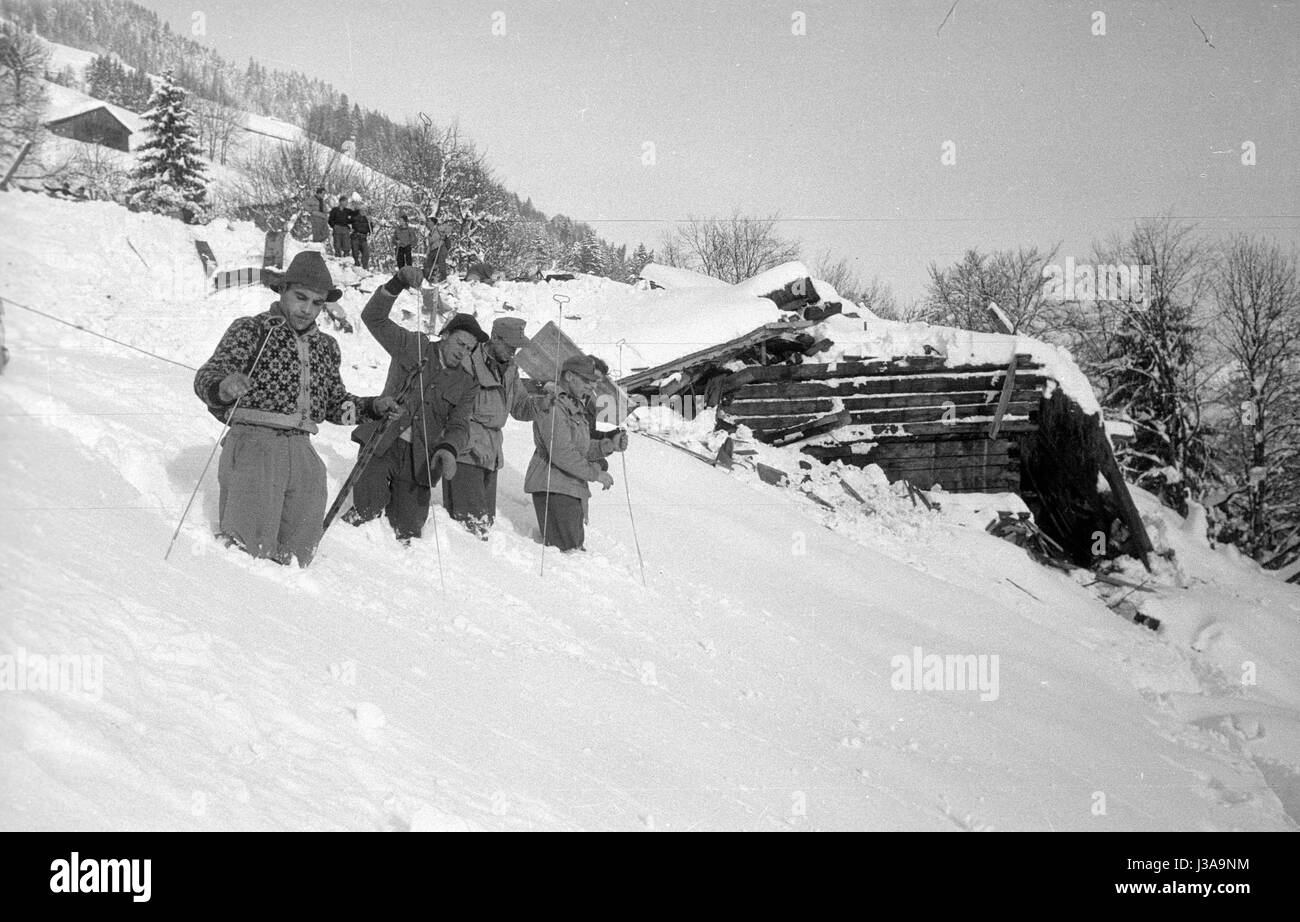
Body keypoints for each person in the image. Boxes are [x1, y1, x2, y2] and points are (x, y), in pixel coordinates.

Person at [193, 251, 397, 566]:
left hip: (303, 453)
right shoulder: (252, 330)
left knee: (296, 558)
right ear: (283, 289)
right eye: (301, 297)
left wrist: (373, 407)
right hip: (255, 445)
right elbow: (207, 376)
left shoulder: (327, 347)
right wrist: (223, 387)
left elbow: (333, 403)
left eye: (317, 303)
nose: (307, 309)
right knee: (246, 550)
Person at [346, 266, 481, 543]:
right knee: (366, 511)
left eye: (469, 349)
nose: (462, 351)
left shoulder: (467, 383)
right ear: (445, 335)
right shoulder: (412, 345)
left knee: (408, 530)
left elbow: (459, 424)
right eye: (460, 343)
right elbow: (373, 318)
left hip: (420, 459)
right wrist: (396, 284)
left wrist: (448, 449)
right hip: (383, 442)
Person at [445, 317, 551, 539]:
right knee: (468, 525)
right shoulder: (468, 363)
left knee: (484, 522)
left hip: (491, 455)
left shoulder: (510, 369)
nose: (513, 351)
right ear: (494, 338)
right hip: (465, 453)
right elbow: (452, 411)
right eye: (509, 345)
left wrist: (541, 404)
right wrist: (473, 443)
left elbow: (520, 407)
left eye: (516, 347)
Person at [525, 355, 626, 552]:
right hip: (554, 486)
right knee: (567, 555)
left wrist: (607, 446)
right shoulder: (553, 403)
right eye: (587, 380)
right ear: (570, 376)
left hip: (568, 487)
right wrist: (596, 474)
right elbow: (562, 452)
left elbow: (580, 447)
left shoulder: (574, 405)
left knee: (572, 553)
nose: (592, 386)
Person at [422, 215, 456, 282]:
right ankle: (428, 277)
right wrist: (427, 253)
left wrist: (444, 235)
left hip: (441, 248)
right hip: (433, 250)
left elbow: (449, 228)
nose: (427, 223)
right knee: (427, 263)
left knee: (441, 262)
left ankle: (443, 278)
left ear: (433, 223)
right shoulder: (429, 235)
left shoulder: (439, 228)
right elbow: (430, 245)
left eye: (429, 221)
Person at [349, 202, 373, 270]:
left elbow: (370, 230)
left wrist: (370, 223)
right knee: (355, 253)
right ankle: (356, 266)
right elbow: (356, 227)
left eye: (365, 210)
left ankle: (365, 267)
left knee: (366, 253)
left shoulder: (367, 219)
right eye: (362, 210)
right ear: (359, 211)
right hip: (355, 237)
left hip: (363, 238)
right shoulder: (356, 217)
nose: (363, 212)